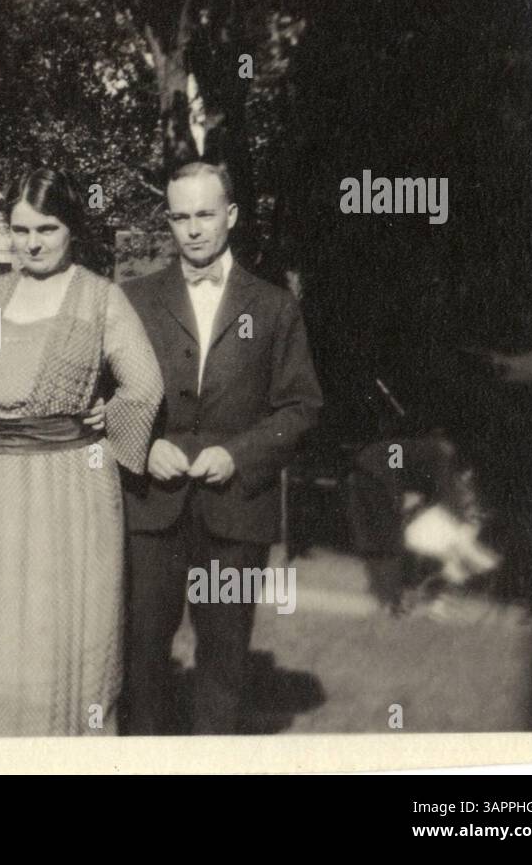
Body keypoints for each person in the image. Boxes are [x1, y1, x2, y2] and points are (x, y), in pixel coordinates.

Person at [0, 168, 164, 736]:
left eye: (47, 228)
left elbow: (145, 384)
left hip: (70, 490)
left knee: (59, 629)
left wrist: (112, 415)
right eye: (20, 229)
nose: (32, 243)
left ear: (71, 229)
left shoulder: (101, 297)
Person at [120, 161, 323, 735]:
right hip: (151, 512)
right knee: (140, 659)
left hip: (236, 512)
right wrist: (142, 443)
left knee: (225, 661)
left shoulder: (274, 306)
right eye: (180, 217)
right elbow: (101, 396)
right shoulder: (131, 299)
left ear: (230, 215)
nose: (193, 229)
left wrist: (239, 454)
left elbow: (301, 408)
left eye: (205, 214)